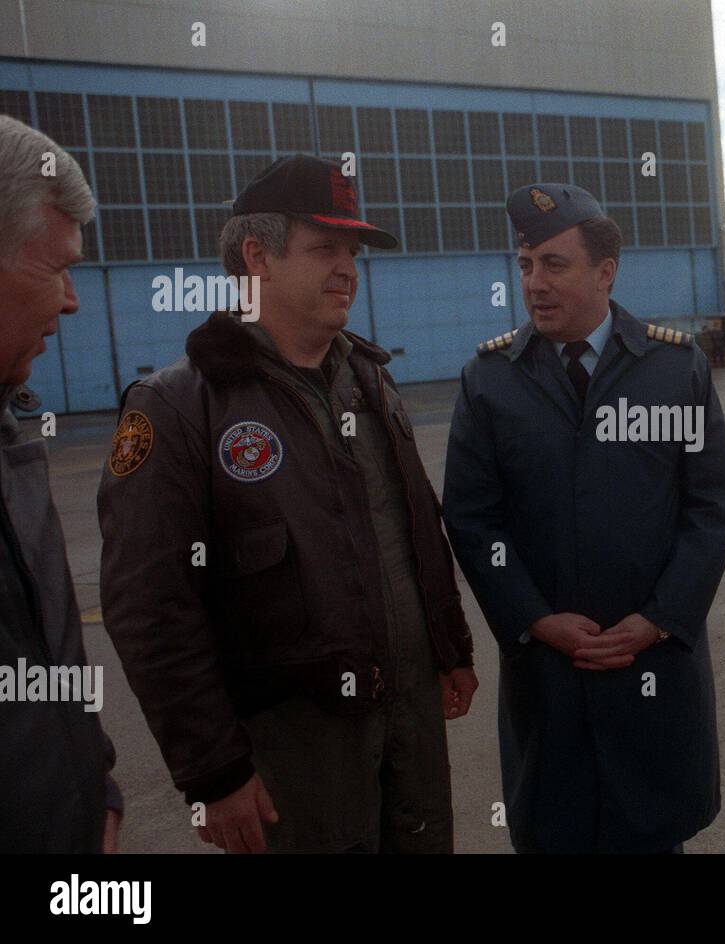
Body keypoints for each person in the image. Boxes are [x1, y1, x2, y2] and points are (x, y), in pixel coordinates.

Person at [97, 155, 477, 853]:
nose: (349, 268)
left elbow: (415, 525)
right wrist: (213, 771)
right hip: (294, 757)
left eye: (353, 252)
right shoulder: (180, 408)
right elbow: (148, 606)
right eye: (325, 248)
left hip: (410, 727)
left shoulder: (370, 382)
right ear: (256, 257)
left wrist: (449, 646)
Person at [442, 183, 725, 853]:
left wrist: (661, 618)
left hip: (654, 668)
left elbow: (712, 505)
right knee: (558, 828)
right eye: (524, 265)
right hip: (550, 675)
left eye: (554, 264)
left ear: (605, 271)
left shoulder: (673, 370)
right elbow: (471, 518)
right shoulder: (490, 380)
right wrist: (532, 618)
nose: (533, 284)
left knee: (653, 829)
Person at [0, 115, 123, 852]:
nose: (73, 300)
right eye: (56, 267)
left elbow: (49, 658)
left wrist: (99, 793)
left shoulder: (12, 434)